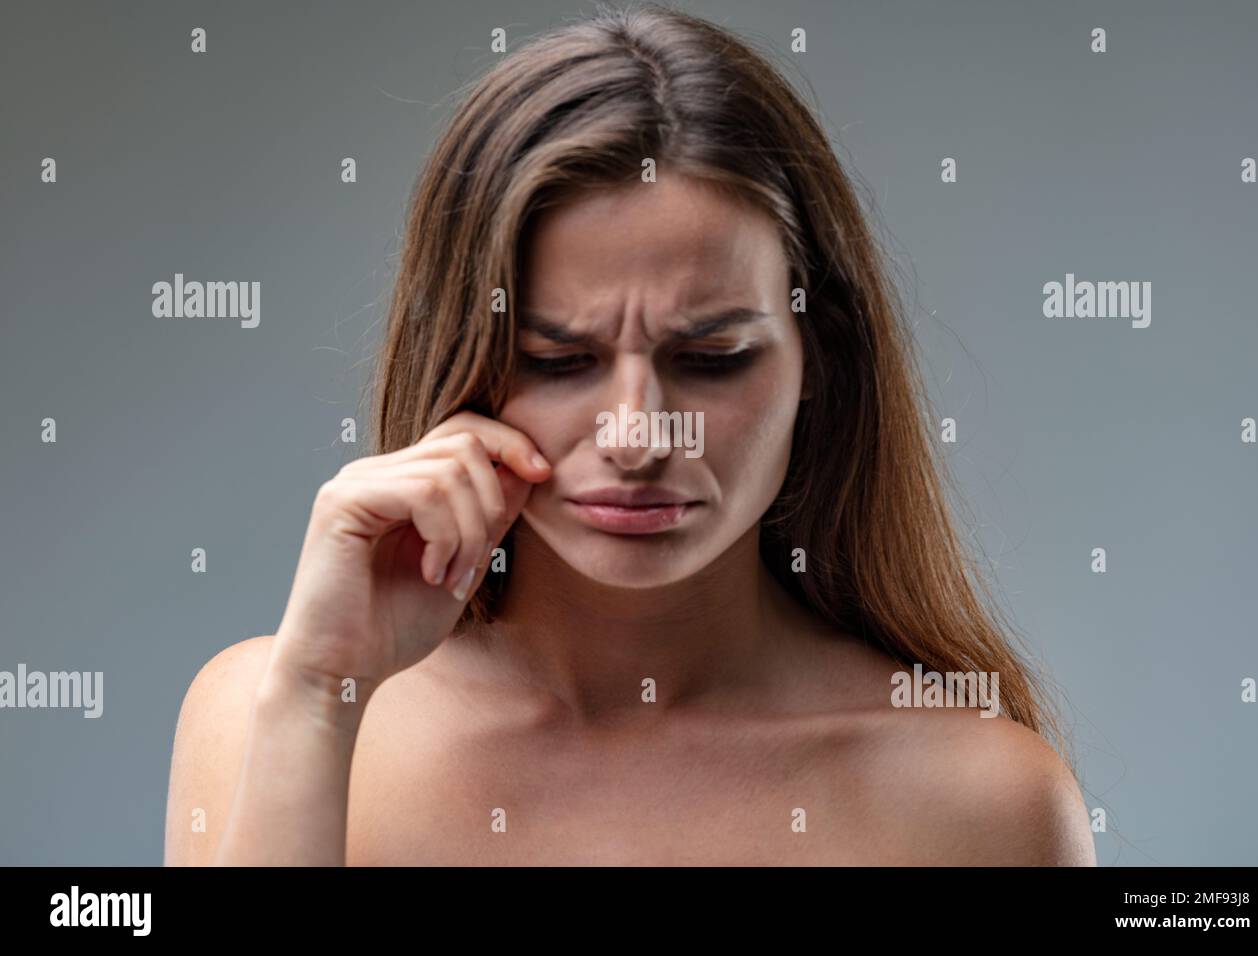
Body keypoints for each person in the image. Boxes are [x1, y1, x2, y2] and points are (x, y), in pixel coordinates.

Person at [164, 3, 1095, 866]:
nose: (640, 435)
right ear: (463, 359)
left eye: (715, 355)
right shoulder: (269, 719)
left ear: (821, 362)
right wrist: (320, 693)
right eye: (558, 360)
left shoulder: (980, 801)